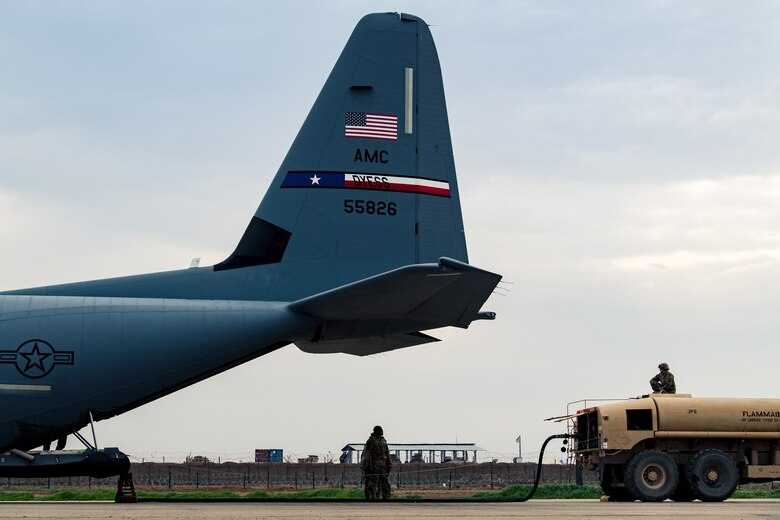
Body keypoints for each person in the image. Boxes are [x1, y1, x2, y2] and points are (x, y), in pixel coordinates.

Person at [361, 425, 391, 500]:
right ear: (376, 431)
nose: (382, 431)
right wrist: (369, 466)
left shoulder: (383, 440)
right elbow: (368, 454)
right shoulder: (371, 441)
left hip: (383, 466)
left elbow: (387, 453)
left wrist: (389, 464)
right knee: (372, 483)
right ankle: (372, 498)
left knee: (385, 482)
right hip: (374, 466)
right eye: (380, 430)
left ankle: (385, 497)